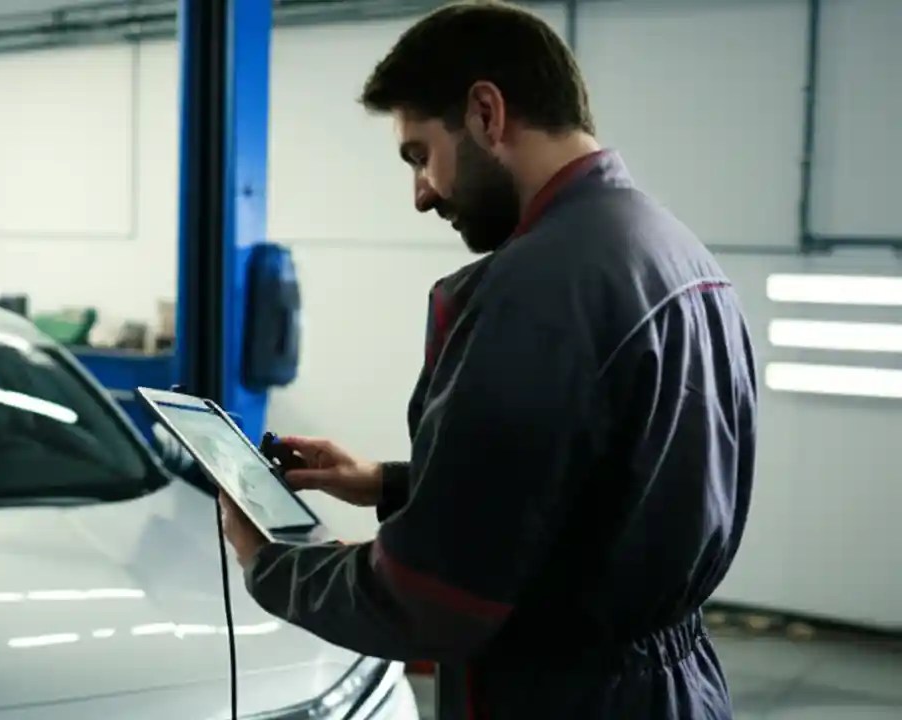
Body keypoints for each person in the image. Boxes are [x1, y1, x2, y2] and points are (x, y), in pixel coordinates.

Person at [218, 2, 757, 718]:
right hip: (673, 690)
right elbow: (598, 497)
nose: (421, 194)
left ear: (485, 114)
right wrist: (385, 483)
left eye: (419, 154)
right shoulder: (672, 250)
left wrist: (269, 561)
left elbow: (429, 599)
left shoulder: (535, 289)